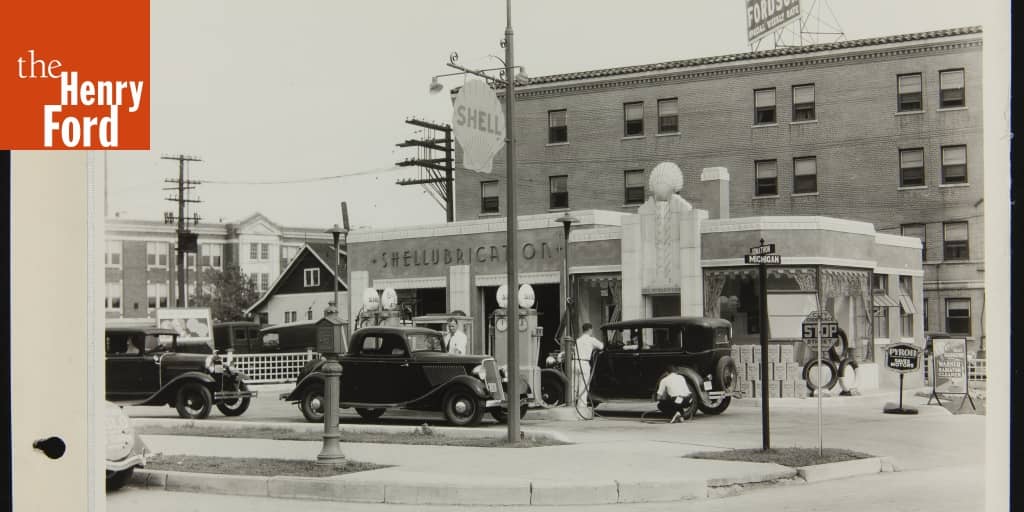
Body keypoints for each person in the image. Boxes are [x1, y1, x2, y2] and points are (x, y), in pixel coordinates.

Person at [573, 323, 604, 406]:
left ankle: (572, 404)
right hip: (584, 363)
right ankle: (582, 407)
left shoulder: (578, 340)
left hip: (575, 363)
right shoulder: (591, 339)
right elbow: (601, 346)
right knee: (583, 386)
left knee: (574, 386)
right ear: (590, 330)